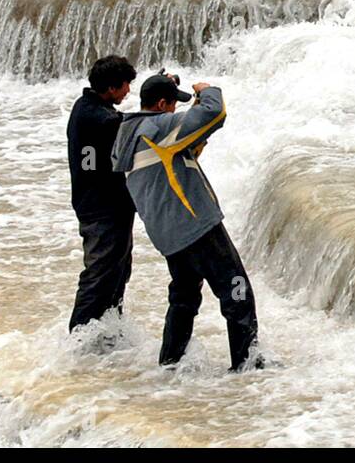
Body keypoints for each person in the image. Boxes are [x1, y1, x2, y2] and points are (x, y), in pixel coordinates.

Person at [111, 72, 261, 372]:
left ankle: (171, 364)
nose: (175, 112)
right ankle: (248, 368)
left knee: (184, 299)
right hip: (196, 227)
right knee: (237, 291)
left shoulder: (127, 136)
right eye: (172, 106)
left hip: (168, 236)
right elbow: (214, 113)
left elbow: (187, 148)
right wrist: (207, 90)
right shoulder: (157, 128)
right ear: (162, 104)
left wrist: (191, 118)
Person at [67, 55, 138, 336]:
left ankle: (108, 334)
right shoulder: (97, 117)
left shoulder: (88, 105)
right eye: (125, 86)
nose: (128, 91)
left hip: (109, 205)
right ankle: (79, 341)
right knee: (98, 276)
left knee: (117, 273)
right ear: (110, 87)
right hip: (100, 209)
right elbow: (129, 126)